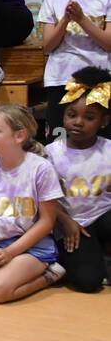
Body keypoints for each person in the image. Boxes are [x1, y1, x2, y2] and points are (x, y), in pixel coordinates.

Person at [0, 105, 66, 302]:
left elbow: (46, 222)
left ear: (19, 136)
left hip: (33, 246)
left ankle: (50, 273)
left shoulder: (40, 169)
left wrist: (9, 253)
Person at [38, 0, 111, 139]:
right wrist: (65, 21)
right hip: (61, 77)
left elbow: (108, 43)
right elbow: (48, 46)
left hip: (99, 79)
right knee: (58, 140)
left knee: (101, 141)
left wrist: (81, 19)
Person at [47, 67, 111, 291]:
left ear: (104, 121)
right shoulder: (50, 154)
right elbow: (44, 201)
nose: (78, 122)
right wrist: (65, 221)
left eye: (89, 117)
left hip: (103, 217)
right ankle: (92, 262)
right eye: (72, 115)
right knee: (88, 282)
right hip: (71, 224)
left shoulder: (109, 150)